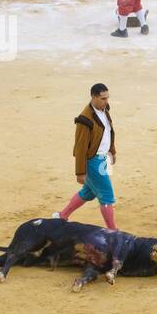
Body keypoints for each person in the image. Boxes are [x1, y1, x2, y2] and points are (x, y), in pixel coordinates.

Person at [57, 84, 119, 230]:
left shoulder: (105, 109)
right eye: (103, 98)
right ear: (94, 97)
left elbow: (108, 132)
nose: (106, 101)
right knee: (107, 195)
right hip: (94, 160)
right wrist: (80, 172)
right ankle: (113, 232)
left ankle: (62, 216)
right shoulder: (84, 120)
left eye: (107, 98)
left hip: (104, 159)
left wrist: (112, 151)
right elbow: (80, 148)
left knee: (89, 191)